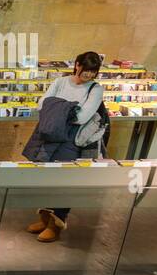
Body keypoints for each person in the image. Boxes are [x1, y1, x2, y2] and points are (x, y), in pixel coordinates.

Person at [22, 52, 107, 243]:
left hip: (71, 139)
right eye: (86, 71)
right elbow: (42, 103)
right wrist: (67, 108)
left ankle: (56, 224)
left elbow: (83, 116)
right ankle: (43, 219)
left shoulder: (95, 89)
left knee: (63, 179)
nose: (89, 76)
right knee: (44, 177)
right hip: (49, 134)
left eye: (93, 72)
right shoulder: (61, 82)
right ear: (77, 65)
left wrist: (57, 109)